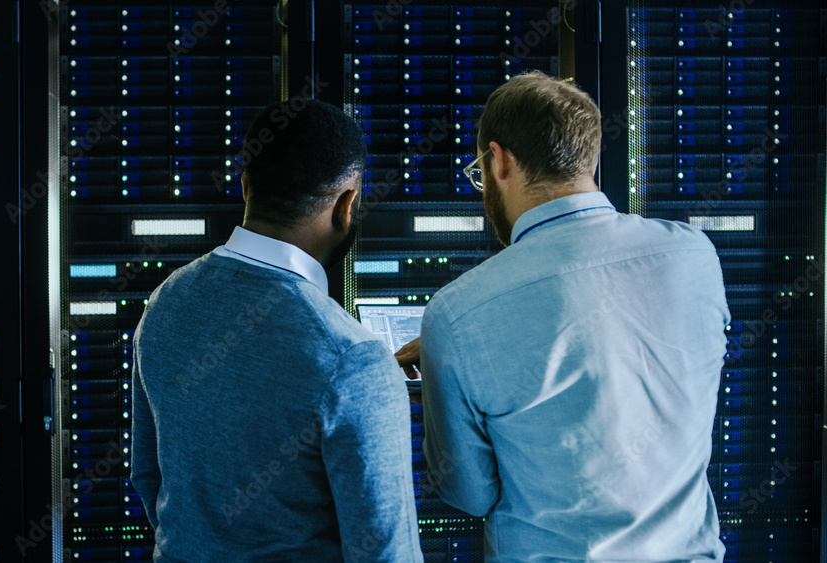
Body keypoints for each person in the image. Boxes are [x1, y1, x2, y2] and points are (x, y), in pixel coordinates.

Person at [396, 71, 728, 561]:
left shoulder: (456, 312)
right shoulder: (694, 255)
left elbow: (469, 494)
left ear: (500, 160)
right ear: (591, 158)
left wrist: (450, 363)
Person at [131, 98, 423, 562]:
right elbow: (386, 552)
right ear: (348, 205)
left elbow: (148, 477)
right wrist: (368, 386)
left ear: (245, 187)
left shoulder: (166, 301)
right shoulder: (351, 359)